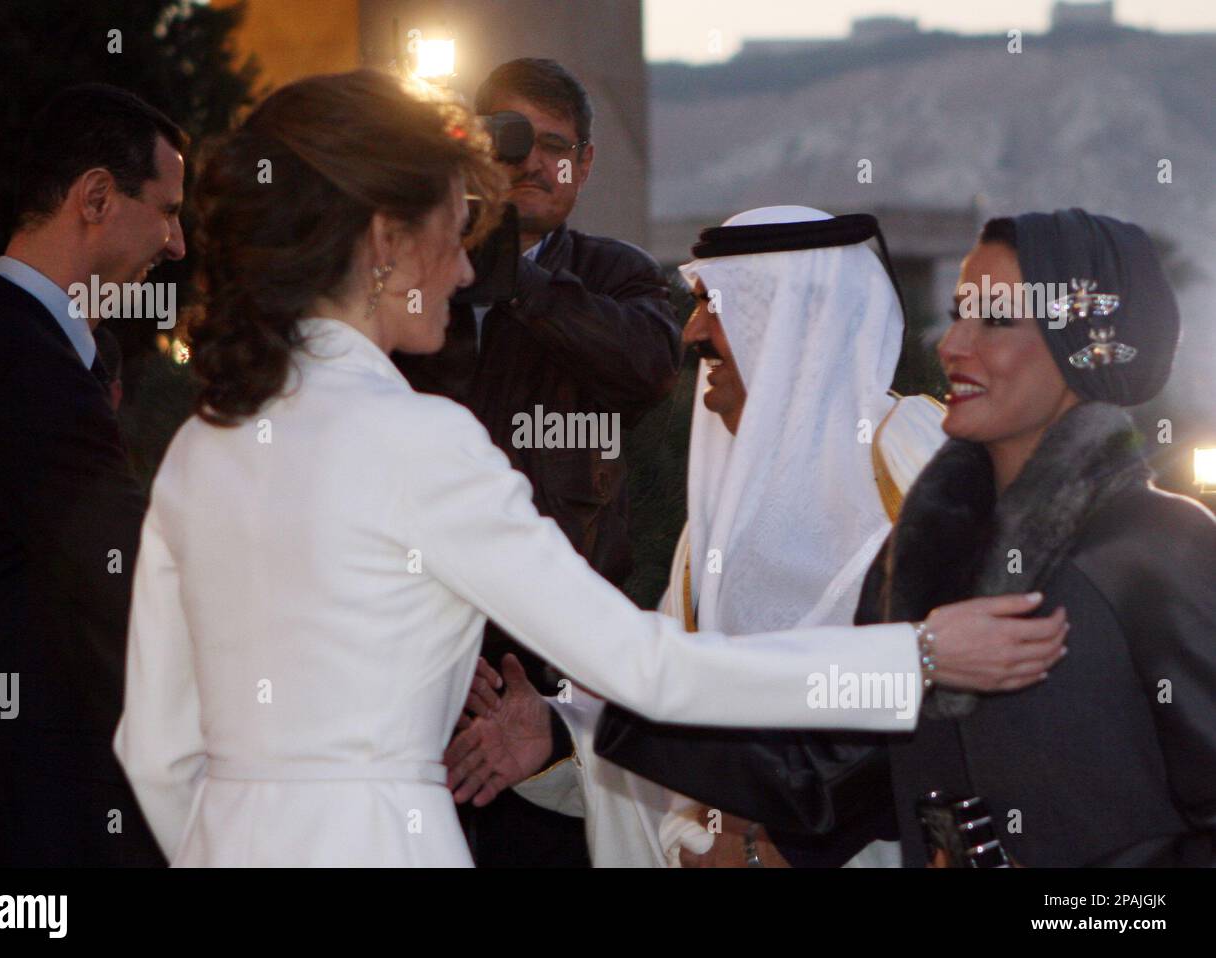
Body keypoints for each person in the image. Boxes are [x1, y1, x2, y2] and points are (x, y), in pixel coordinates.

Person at [112, 71, 1066, 868]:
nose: (467, 273)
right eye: (458, 234)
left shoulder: (204, 443)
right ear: (383, 244)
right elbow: (653, 668)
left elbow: (152, 749)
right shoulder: (422, 440)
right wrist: (920, 655)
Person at [444, 208, 957, 867]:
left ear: (796, 321)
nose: (693, 334)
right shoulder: (718, 526)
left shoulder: (910, 459)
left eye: (716, 305)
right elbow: (686, 708)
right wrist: (559, 734)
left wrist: (783, 847)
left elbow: (954, 696)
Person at [855, 210, 1216, 866]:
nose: (951, 344)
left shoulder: (1160, 546)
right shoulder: (921, 551)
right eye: (958, 311)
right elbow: (846, 775)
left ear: (1083, 346)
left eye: (994, 318)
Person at [394, 56, 682, 867]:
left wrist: (515, 274)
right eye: (510, 142)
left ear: (585, 164)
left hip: (558, 679)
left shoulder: (614, 273)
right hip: (420, 657)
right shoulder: (419, 275)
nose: (531, 164)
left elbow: (649, 366)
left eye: (553, 146)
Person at [0, 83, 186, 865]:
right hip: (20, 829)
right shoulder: (18, 365)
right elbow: (134, 585)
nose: (179, 245)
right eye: (168, 211)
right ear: (96, 197)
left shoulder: (12, 344)